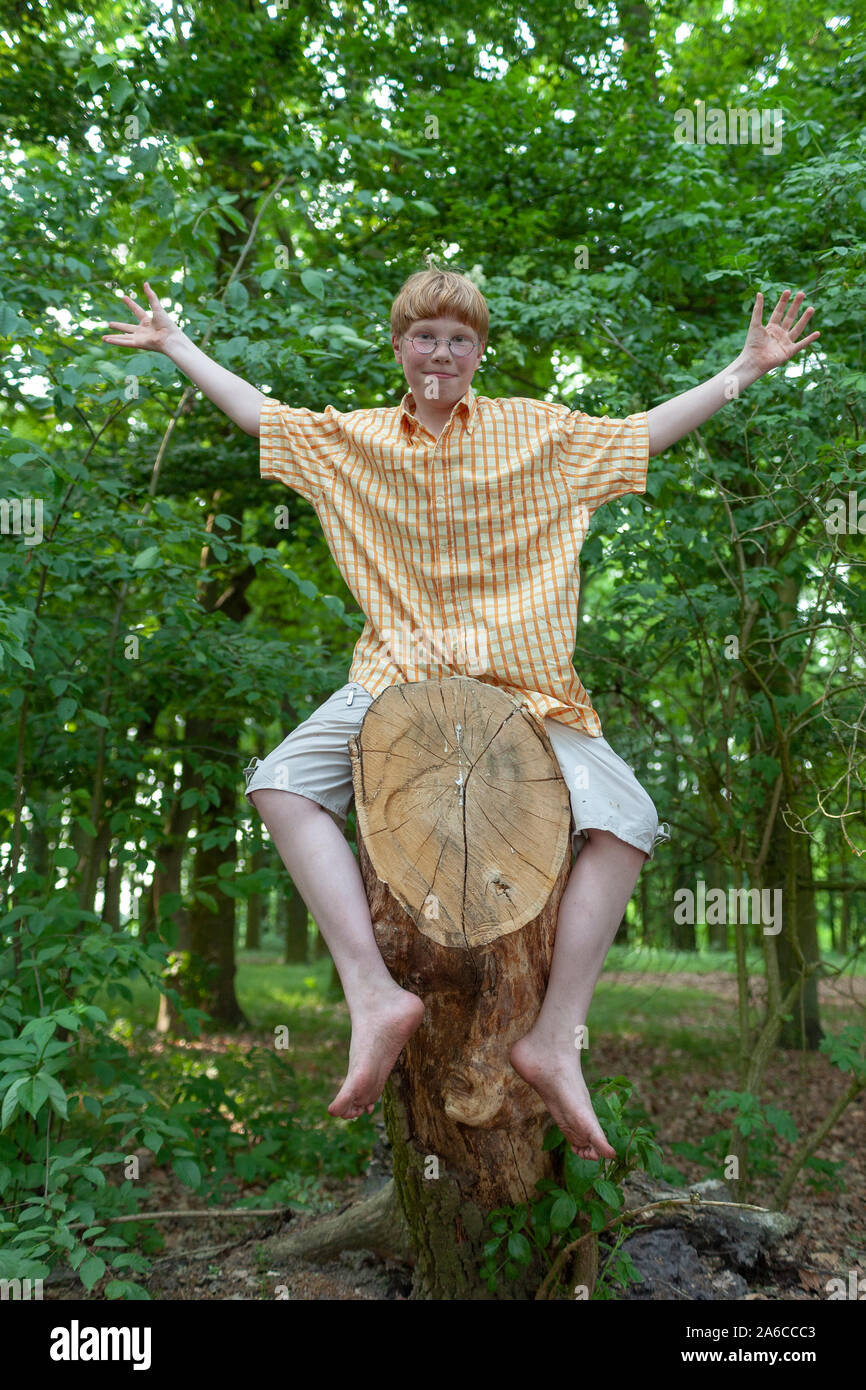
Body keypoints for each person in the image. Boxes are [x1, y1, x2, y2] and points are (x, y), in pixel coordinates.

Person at [102, 269, 818, 1159]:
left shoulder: (538, 432)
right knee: (281, 783)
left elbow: (643, 435)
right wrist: (176, 345)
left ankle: (553, 1040)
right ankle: (374, 996)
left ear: (479, 352)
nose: (440, 352)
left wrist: (744, 369)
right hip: (393, 684)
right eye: (424, 335)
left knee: (628, 821)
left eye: (458, 338)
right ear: (398, 346)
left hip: (525, 691)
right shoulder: (356, 443)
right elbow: (262, 418)